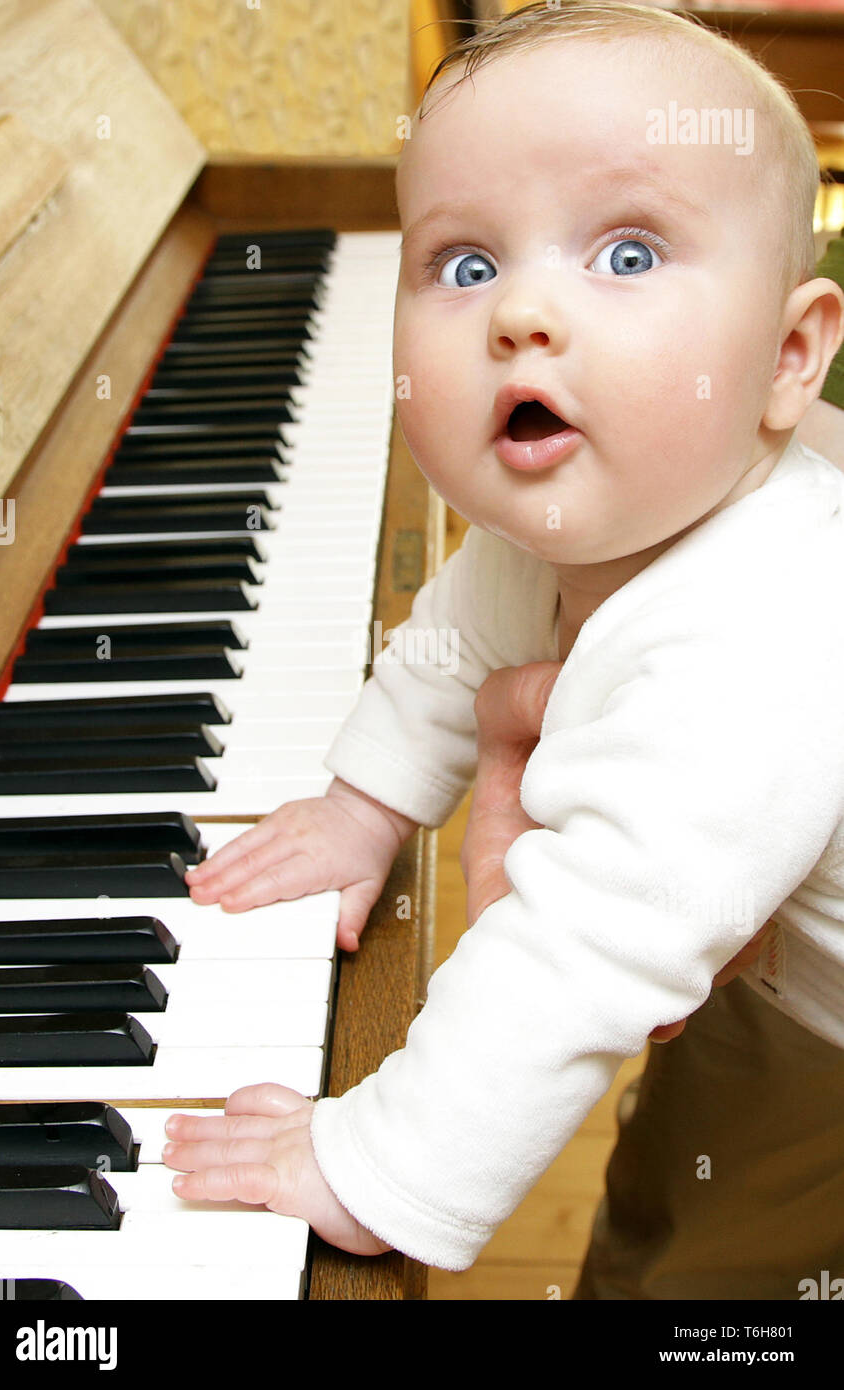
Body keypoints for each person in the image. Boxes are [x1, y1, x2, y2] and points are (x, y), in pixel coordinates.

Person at [162, 2, 844, 1294]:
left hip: (825, 1049)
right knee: (668, 1152)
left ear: (787, 354)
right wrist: (364, 807)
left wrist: (376, 1161)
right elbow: (462, 635)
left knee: (719, 1257)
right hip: (745, 955)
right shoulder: (600, 509)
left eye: (627, 254)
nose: (520, 311)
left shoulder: (760, 630)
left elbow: (581, 946)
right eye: (465, 264)